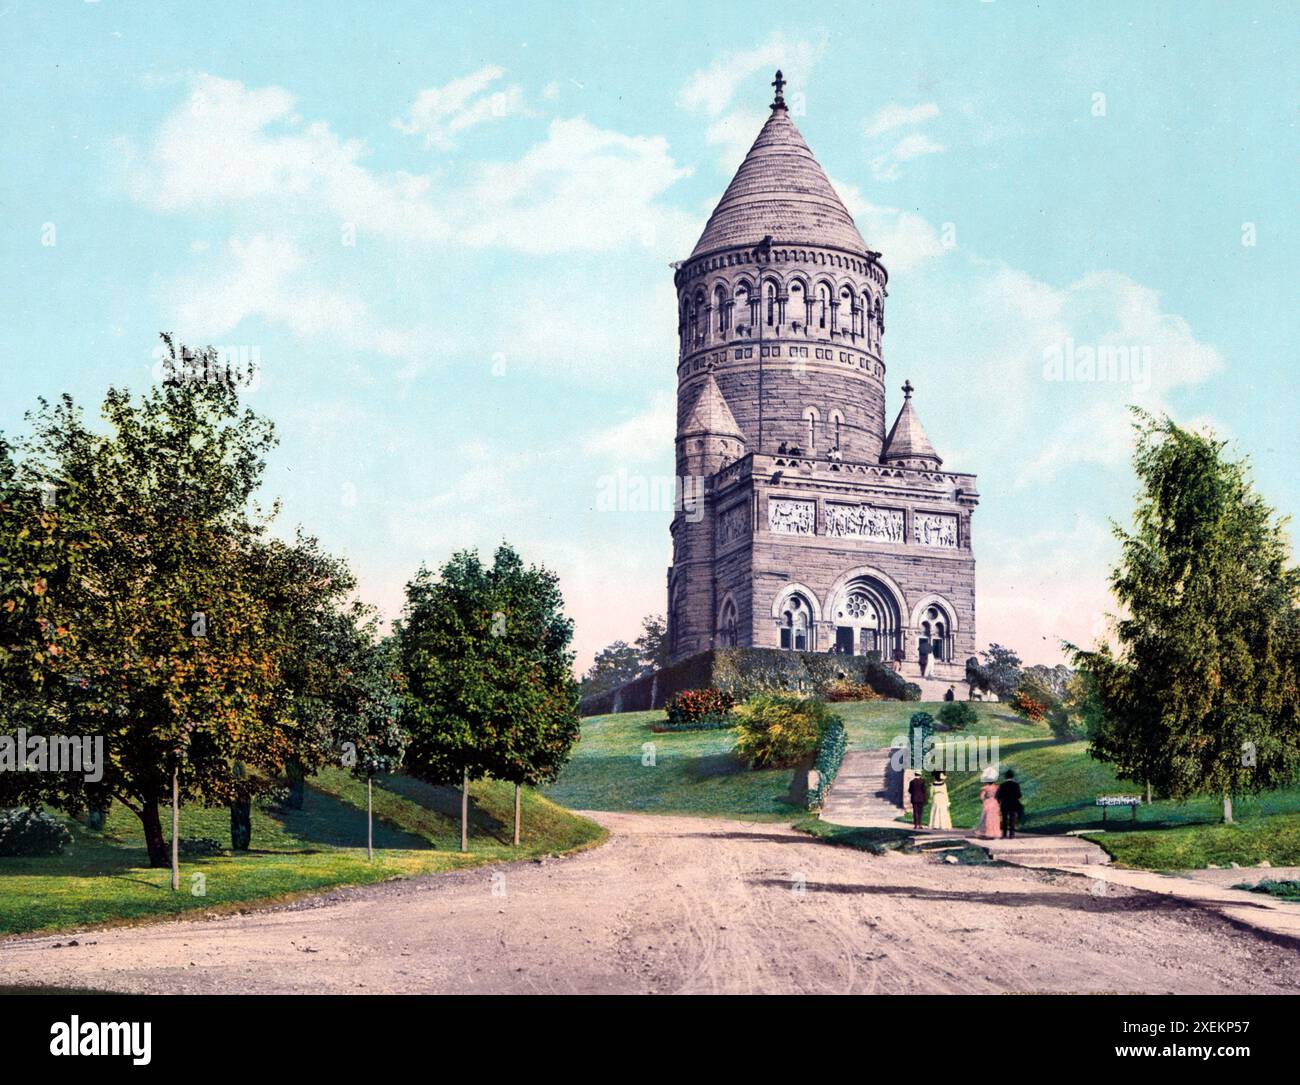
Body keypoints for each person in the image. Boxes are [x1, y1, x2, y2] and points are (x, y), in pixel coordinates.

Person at [996, 769, 1024, 839]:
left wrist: (1000, 802)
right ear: (1012, 776)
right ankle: (1012, 834)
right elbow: (1019, 795)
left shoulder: (1002, 785)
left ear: (1005, 777)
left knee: (1004, 819)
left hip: (1005, 803)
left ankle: (1004, 834)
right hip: (1013, 803)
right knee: (1012, 819)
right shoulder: (1016, 785)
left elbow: (999, 795)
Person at [975, 767, 1000, 839]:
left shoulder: (985, 788)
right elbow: (999, 795)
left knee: (986, 818)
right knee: (994, 818)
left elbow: (981, 797)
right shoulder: (997, 787)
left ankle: (987, 832)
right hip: (995, 802)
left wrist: (983, 801)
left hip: (988, 802)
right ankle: (994, 832)